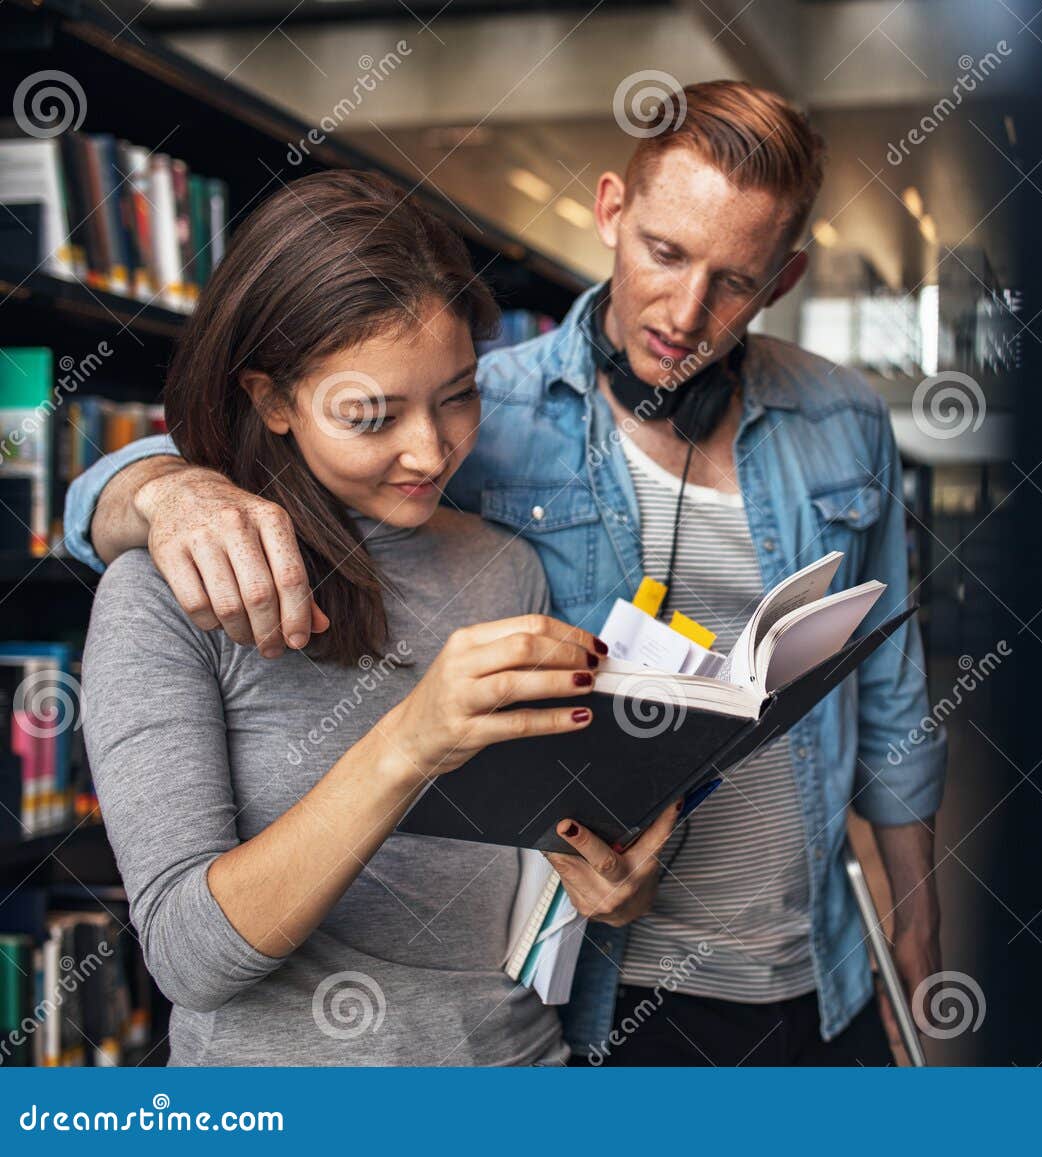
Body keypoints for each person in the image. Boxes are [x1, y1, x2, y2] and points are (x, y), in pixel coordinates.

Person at [66, 81, 947, 1066]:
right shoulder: (502, 413)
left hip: (750, 971)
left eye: (733, 280)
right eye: (663, 252)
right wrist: (155, 488)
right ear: (610, 209)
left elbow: (890, 682)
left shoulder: (829, 426)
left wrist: (909, 906)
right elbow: (197, 478)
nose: (429, 450)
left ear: (781, 279)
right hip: (607, 1009)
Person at [79, 169, 673, 1065]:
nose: (431, 451)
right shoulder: (168, 593)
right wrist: (407, 742)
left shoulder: (505, 565)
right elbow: (189, 958)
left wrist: (605, 880)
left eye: (459, 394)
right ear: (271, 399)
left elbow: (520, 871)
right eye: (371, 414)